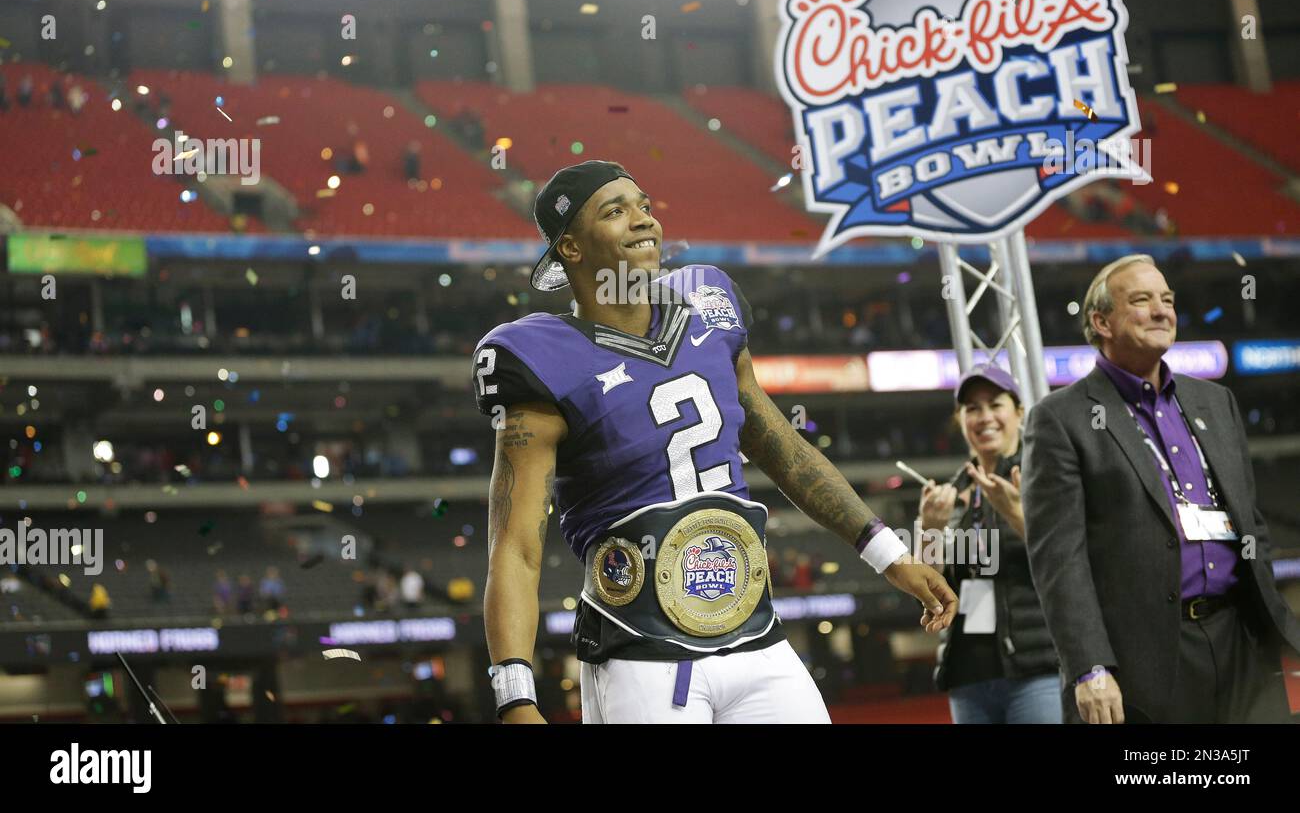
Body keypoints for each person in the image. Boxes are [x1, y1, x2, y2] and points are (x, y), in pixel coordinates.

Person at [473, 160, 957, 724]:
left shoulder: (709, 302)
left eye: (644, 205)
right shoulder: (536, 356)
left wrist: (887, 553)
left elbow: (782, 447)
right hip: (641, 647)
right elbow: (515, 543)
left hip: (757, 634)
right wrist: (514, 693)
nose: (643, 221)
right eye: (615, 211)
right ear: (571, 250)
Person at [1023, 254, 1300, 723]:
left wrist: (1270, 623)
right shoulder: (1061, 418)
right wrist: (1089, 666)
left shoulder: (1215, 400)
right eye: (1141, 300)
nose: (1161, 310)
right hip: (1146, 660)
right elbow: (1060, 562)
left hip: (1242, 644)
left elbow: (1251, 523)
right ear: (1101, 321)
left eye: (1167, 299)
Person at [917, 363, 1060, 724]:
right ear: (960, 419)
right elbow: (931, 591)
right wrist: (931, 529)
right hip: (969, 676)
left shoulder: (1044, 473)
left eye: (995, 405)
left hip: (1038, 668)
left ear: (1018, 411)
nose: (985, 417)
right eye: (972, 409)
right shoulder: (952, 493)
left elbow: (1067, 561)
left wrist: (1016, 514)